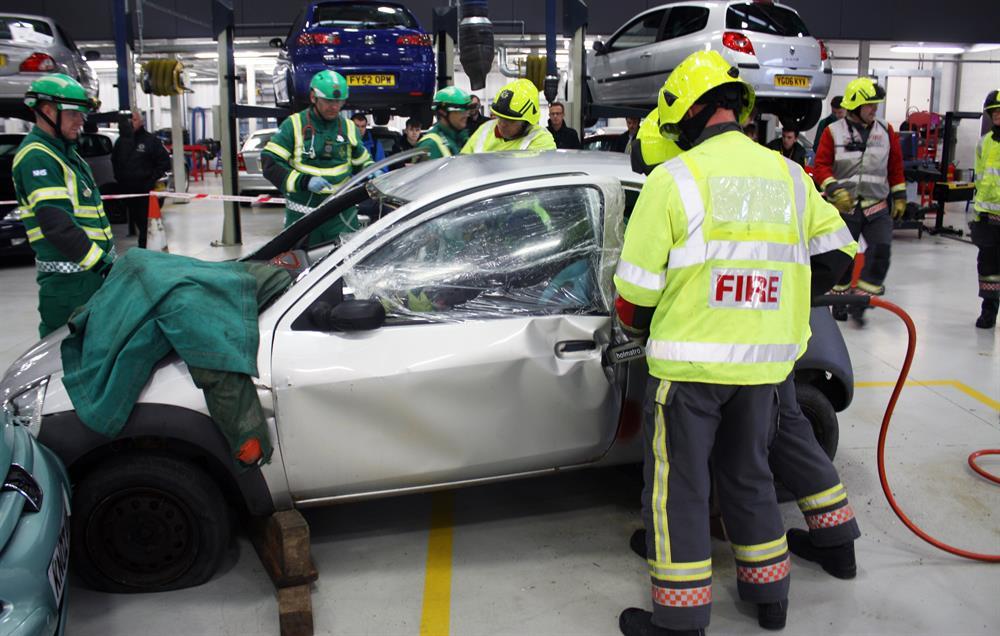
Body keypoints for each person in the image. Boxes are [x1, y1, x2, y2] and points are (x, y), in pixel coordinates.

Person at [613, 50, 857, 636]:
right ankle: (769, 599)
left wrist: (646, 329)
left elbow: (634, 296)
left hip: (689, 372)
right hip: (766, 370)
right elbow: (841, 257)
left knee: (679, 489)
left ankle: (680, 621)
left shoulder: (673, 180)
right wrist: (775, 304)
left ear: (688, 114)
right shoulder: (789, 174)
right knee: (750, 477)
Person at [11, 73, 115, 337]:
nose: (80, 121)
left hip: (89, 277)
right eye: (73, 114)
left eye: (82, 114)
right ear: (47, 111)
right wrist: (103, 264)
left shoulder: (66, 153)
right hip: (70, 286)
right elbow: (58, 226)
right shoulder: (38, 156)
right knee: (65, 352)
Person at [813, 77, 906, 325]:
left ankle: (861, 303)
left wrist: (899, 196)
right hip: (845, 207)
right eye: (870, 105)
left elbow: (895, 166)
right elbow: (821, 166)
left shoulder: (886, 131)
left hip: (877, 206)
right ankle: (839, 303)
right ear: (855, 106)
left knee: (881, 251)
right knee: (842, 258)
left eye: (876, 105)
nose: (874, 109)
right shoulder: (833, 131)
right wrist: (834, 189)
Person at [261, 70, 372, 245]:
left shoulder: (349, 127)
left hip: (341, 217)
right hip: (303, 216)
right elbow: (270, 162)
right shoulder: (294, 125)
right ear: (313, 97)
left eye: (339, 102)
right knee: (301, 260)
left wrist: (371, 170)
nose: (334, 107)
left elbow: (361, 161)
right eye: (328, 101)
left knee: (346, 259)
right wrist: (304, 181)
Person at [111, 109, 171, 248]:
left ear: (142, 121)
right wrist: (120, 179)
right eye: (129, 120)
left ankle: (145, 251)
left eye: (134, 120)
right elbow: (115, 161)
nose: (131, 123)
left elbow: (164, 162)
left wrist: (150, 180)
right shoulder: (121, 141)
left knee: (146, 227)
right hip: (127, 192)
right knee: (136, 222)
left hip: (145, 193)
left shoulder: (151, 141)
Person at [461, 79, 557, 153]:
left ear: (526, 122)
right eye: (500, 117)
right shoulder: (485, 130)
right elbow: (464, 160)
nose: (502, 124)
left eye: (510, 120)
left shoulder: (541, 140)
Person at [971, 89, 1000, 329]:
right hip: (988, 215)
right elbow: (980, 178)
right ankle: (989, 309)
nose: (997, 114)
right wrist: (978, 212)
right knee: (988, 267)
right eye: (994, 111)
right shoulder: (984, 142)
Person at [416, 86, 473, 160]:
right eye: (460, 111)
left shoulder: (463, 138)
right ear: (442, 112)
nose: (466, 115)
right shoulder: (430, 145)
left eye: (467, 110)